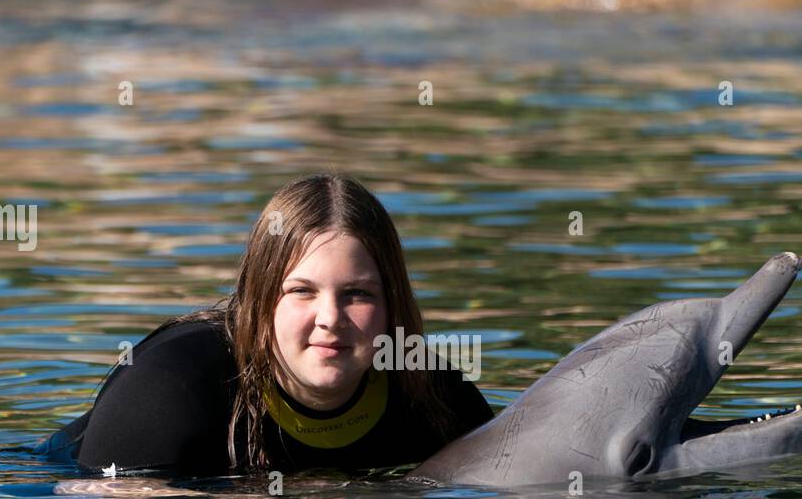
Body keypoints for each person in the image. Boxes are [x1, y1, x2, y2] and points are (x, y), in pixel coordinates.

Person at [34, 173, 493, 477]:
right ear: (260, 301)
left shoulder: (437, 400)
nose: (330, 319)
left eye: (358, 294)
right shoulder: (170, 388)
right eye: (301, 291)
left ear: (393, 306)